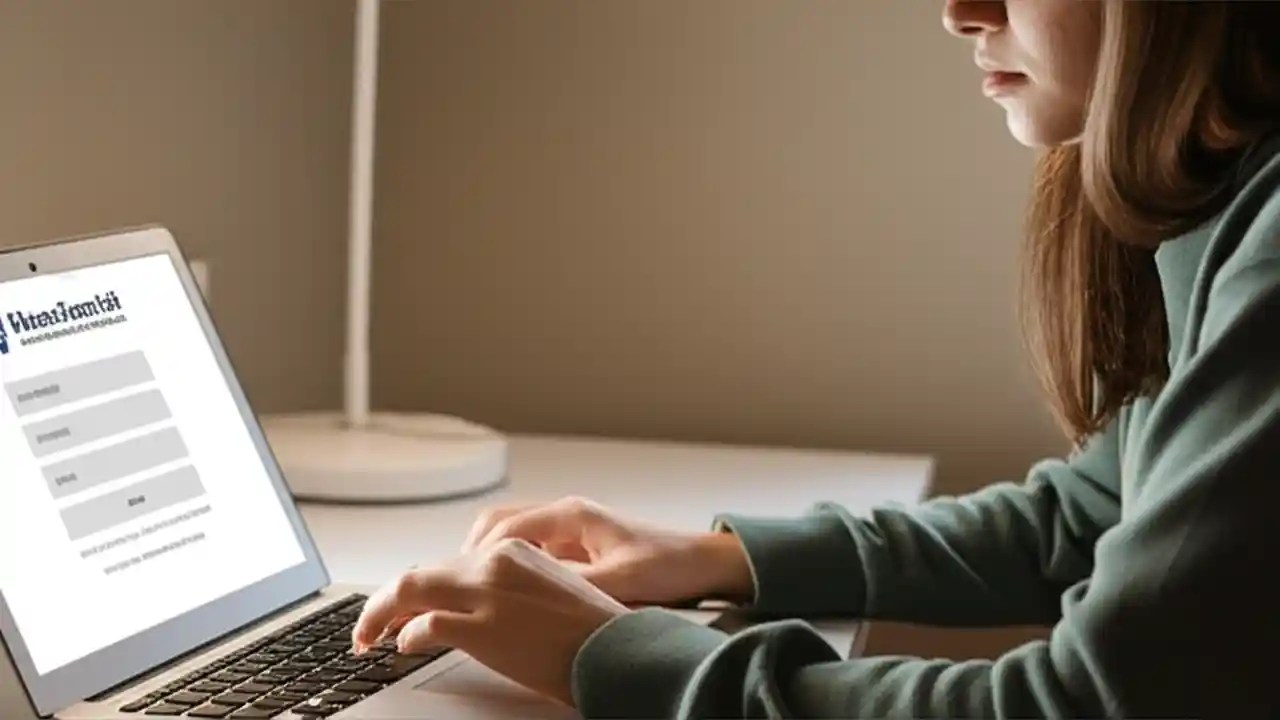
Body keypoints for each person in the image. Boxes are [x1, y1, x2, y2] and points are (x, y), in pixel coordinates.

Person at [352, 1, 1280, 717]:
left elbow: (1080, 704)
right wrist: (714, 558)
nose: (961, 10)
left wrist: (615, 656)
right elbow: (1080, 518)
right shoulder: (1222, 200)